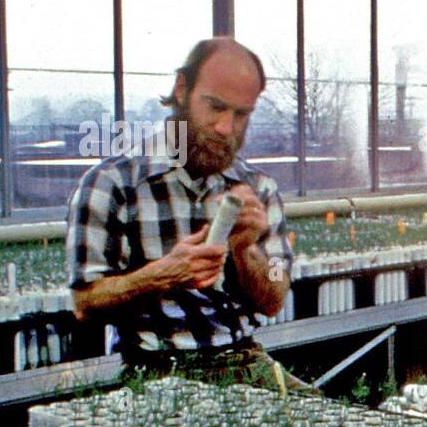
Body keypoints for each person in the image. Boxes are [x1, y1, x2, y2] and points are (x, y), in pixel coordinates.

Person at [66, 36, 304, 390]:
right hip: (157, 369)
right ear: (181, 89)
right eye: (215, 107)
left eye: (241, 114)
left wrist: (246, 250)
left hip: (245, 359)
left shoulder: (258, 189)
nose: (226, 128)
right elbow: (85, 303)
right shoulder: (112, 184)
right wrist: (160, 276)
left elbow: (273, 300)